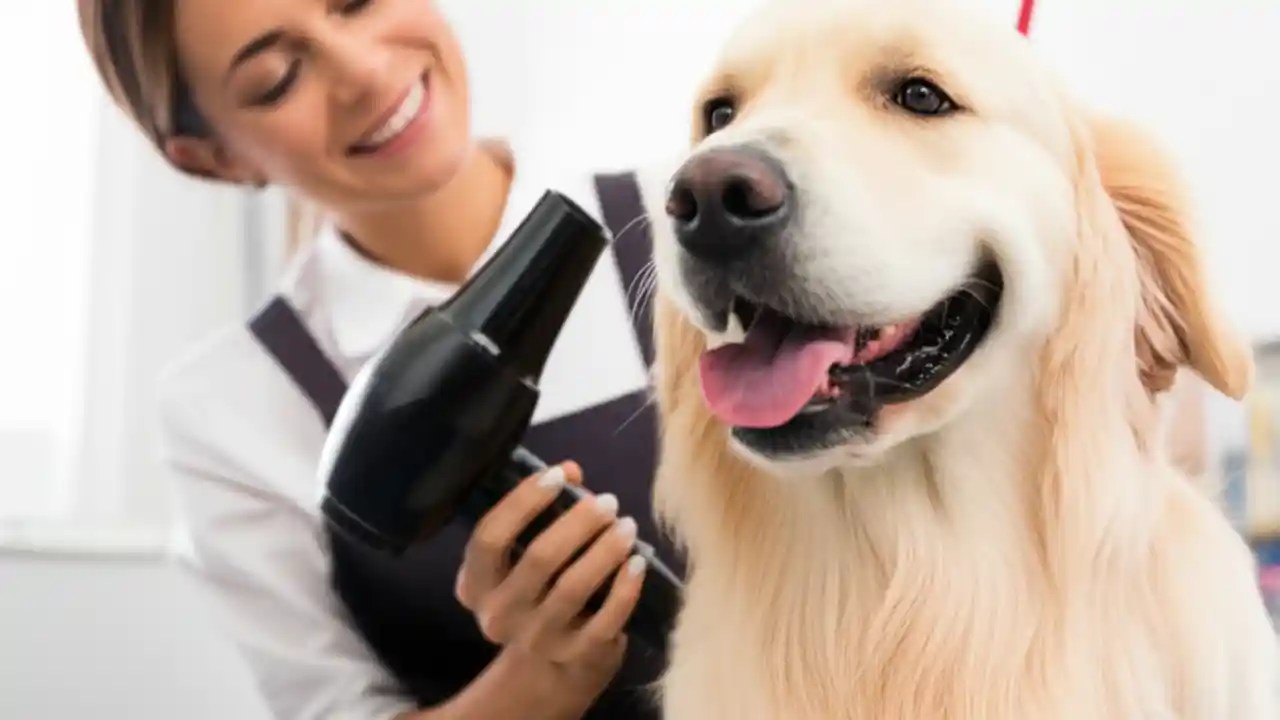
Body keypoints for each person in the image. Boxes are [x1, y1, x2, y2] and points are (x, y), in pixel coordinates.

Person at [75, 1, 682, 718]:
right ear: (216, 158)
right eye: (277, 78)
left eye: (358, 1)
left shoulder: (691, 219)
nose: (364, 71)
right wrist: (539, 680)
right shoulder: (232, 409)